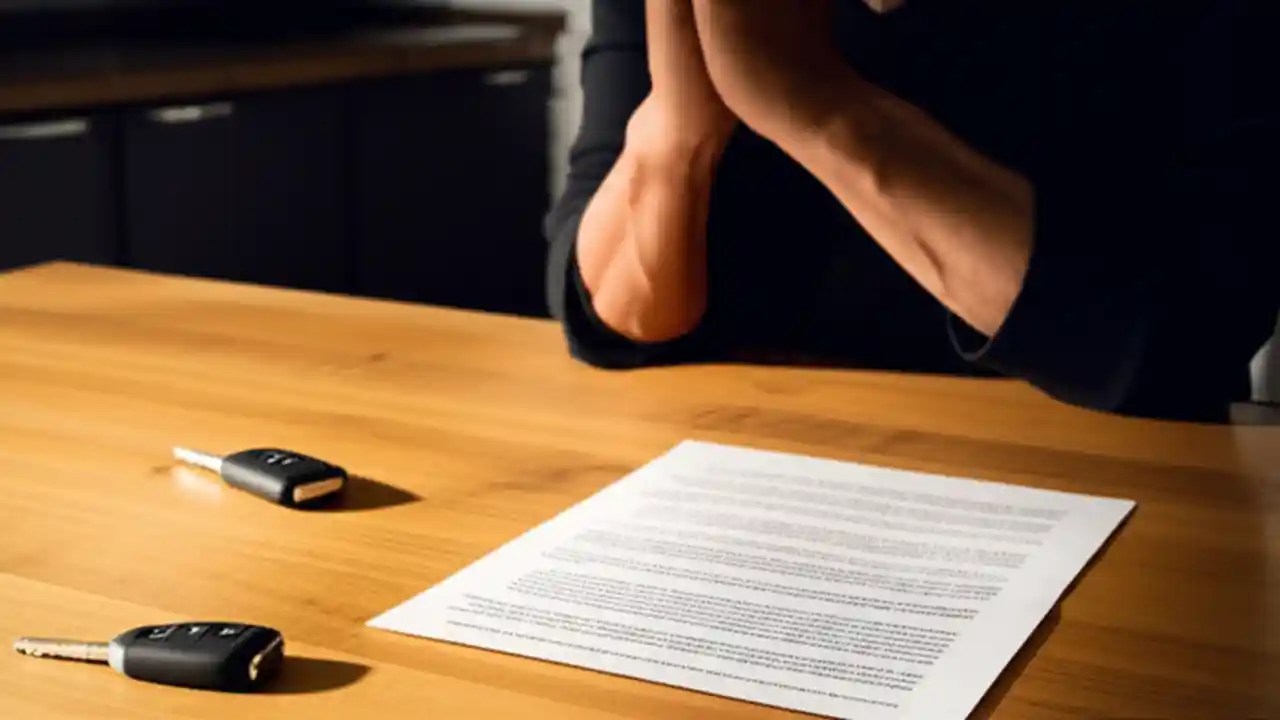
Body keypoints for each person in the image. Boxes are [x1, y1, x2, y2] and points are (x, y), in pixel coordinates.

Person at [544, 0, 1278, 423]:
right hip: (751, 483)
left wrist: (819, 108)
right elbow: (609, 318)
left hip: (1112, 500)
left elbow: (1187, 340)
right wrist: (680, 127)